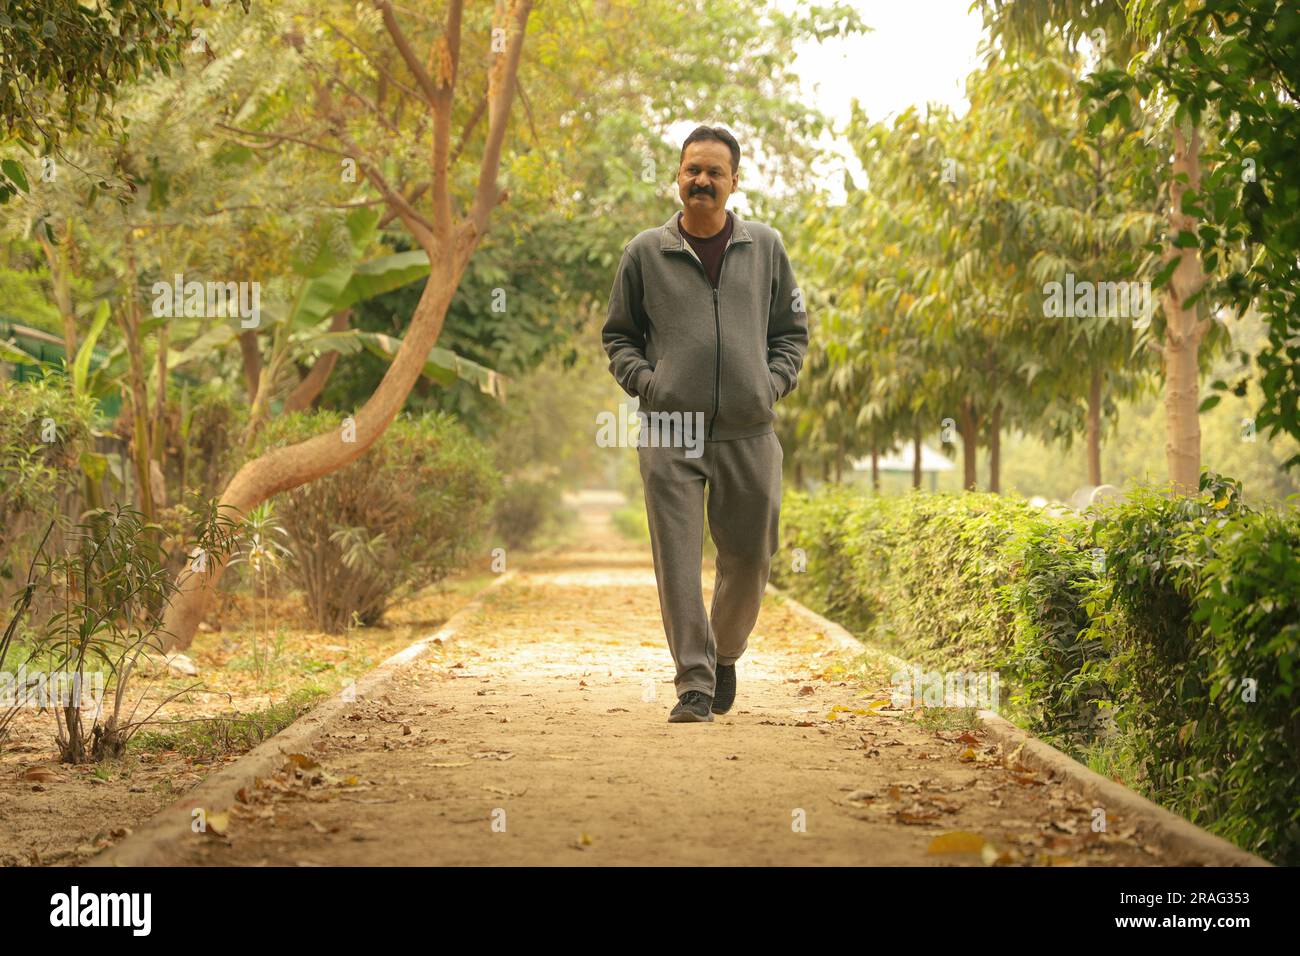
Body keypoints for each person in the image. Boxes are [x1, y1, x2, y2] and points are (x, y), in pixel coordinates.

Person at [601, 124, 809, 723]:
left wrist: (769, 385)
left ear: (734, 182)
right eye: (693, 169)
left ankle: (724, 654)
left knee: (751, 556)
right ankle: (693, 683)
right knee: (678, 558)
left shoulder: (766, 246)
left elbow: (790, 334)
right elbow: (619, 336)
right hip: (672, 430)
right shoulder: (646, 251)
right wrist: (650, 385)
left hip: (749, 428)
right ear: (678, 176)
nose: (702, 180)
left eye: (715, 172)